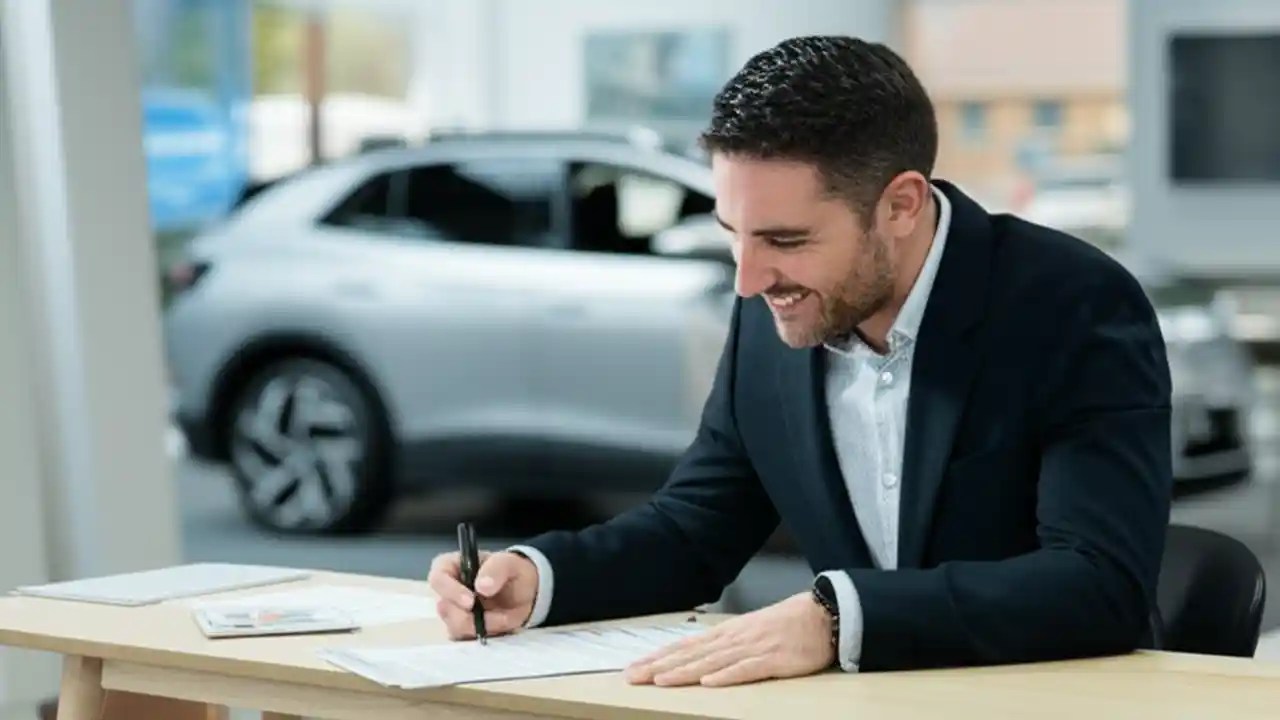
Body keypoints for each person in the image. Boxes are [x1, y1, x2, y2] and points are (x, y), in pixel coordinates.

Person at [429, 35, 1172, 686]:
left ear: (901, 206)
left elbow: (1099, 584)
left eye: (785, 240)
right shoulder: (774, 305)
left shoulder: (1074, 303)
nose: (748, 280)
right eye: (732, 233)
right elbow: (696, 531)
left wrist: (837, 619)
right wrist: (537, 579)